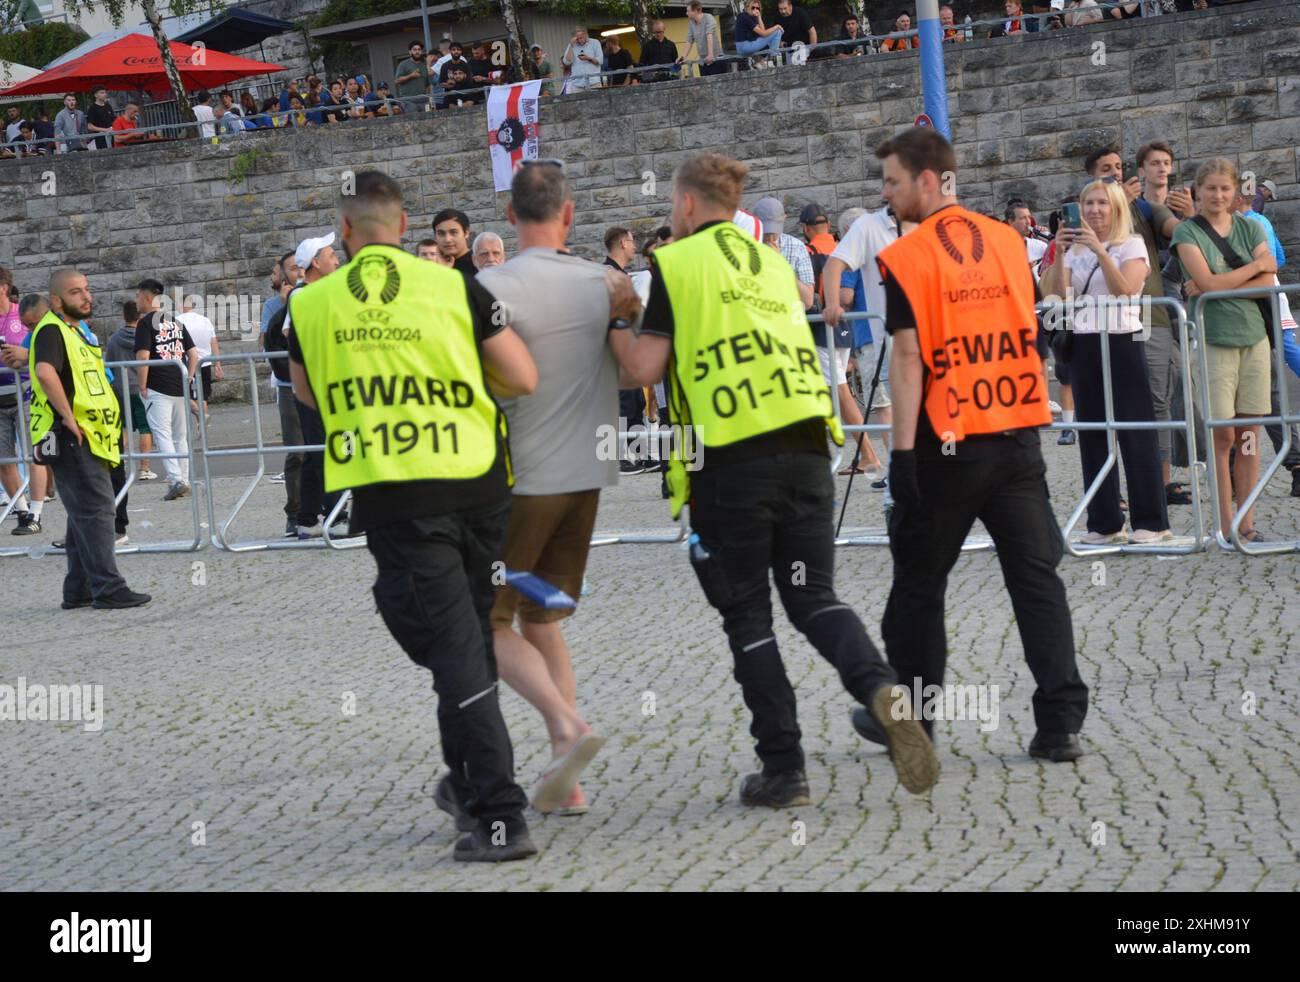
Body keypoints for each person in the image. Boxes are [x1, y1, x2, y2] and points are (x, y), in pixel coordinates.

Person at [609, 151, 939, 804]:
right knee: (814, 597)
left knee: (748, 616)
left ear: (686, 205)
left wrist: (620, 316)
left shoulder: (675, 265)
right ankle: (877, 686)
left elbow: (641, 371)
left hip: (732, 461)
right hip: (809, 447)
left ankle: (784, 769)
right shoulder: (772, 262)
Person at [287, 169, 540, 861]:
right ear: (405, 229)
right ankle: (465, 784)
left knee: (454, 651)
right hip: (482, 485)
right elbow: (521, 375)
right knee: (468, 645)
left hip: (400, 496)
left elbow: (308, 397)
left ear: (344, 232)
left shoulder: (310, 306)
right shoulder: (455, 285)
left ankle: (498, 816)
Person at [869, 127, 1088, 763]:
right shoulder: (1006, 240)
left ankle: (916, 721)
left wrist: (902, 457)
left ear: (928, 181)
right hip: (1017, 432)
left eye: (893, 181)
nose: (886, 193)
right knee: (1036, 579)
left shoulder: (907, 257)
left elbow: (908, 361)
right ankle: (1059, 724)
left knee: (917, 583)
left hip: (948, 443)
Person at [477, 160, 652, 814]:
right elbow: (636, 377)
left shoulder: (490, 284)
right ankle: (566, 777)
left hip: (523, 478)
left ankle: (565, 725)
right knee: (542, 615)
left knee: (484, 620)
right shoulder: (605, 283)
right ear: (570, 214)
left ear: (511, 215)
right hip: (589, 474)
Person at [1038, 179, 1171, 545]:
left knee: (1134, 430)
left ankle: (1152, 520)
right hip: (1082, 343)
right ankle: (1105, 520)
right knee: (1093, 432)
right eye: (1088, 203)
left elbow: (1125, 290)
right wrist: (1061, 253)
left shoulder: (1131, 244)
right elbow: (1052, 294)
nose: (1094, 210)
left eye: (1102, 203)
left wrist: (1099, 251)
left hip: (1121, 340)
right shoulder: (1073, 249)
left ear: (1115, 208)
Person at [29, 270, 150, 609]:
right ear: (56, 300)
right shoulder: (53, 329)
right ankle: (108, 588)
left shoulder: (74, 331)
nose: (86, 297)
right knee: (97, 510)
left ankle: (78, 589)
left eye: (86, 289)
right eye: (75, 292)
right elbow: (44, 371)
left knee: (84, 513)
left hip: (90, 435)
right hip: (72, 436)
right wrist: (68, 417)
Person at [1171, 159, 1276, 543]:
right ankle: (1224, 522)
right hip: (1215, 340)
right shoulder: (1187, 231)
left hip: (1254, 340)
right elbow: (1209, 281)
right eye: (1211, 189)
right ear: (1198, 191)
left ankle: (1246, 522)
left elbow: (1267, 284)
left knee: (1249, 434)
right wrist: (1253, 267)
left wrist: (1217, 284)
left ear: (1235, 193)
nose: (1217, 196)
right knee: (1223, 437)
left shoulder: (1249, 226)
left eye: (1224, 189)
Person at [283, 233, 344, 538]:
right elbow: (292, 336)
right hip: (314, 384)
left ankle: (307, 518)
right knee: (327, 449)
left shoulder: (329, 290)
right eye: (331, 254)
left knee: (317, 450)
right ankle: (336, 514)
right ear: (316, 263)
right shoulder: (301, 295)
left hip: (329, 382)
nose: (336, 258)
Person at [134, 279, 199, 501]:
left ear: (146, 297)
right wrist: (188, 378)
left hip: (157, 386)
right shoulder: (174, 322)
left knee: (162, 434)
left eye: (137, 296)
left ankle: (175, 479)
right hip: (179, 385)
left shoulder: (145, 324)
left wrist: (142, 385)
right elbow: (193, 353)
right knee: (181, 436)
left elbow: (143, 356)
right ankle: (185, 479)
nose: (136, 301)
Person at [261, 252, 306, 537]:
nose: (298, 273)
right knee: (299, 452)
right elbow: (268, 343)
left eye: (301, 267)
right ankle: (295, 511)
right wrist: (285, 305)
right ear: (284, 275)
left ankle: (332, 507)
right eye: (292, 269)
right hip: (290, 386)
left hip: (323, 385)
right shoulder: (272, 306)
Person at [0, 286, 50, 534]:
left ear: (3, 288)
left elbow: (48, 351)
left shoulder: (24, 315)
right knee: (4, 459)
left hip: (27, 393)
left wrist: (22, 356)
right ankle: (21, 510)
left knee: (34, 454)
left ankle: (36, 513)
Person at [104, 300, 158, 487]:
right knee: (145, 428)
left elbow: (108, 366)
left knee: (124, 429)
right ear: (140, 316)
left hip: (119, 389)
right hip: (140, 388)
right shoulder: (144, 337)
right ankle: (144, 468)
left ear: (123, 316)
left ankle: (119, 463)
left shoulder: (113, 339)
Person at [680, 1, 727, 77]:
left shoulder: (708, 18)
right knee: (705, 87)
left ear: (695, 11)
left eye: (688, 11)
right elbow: (689, 40)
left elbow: (709, 35)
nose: (686, 13)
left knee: (719, 86)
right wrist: (683, 57)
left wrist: (710, 54)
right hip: (703, 61)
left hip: (716, 59)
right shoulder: (691, 23)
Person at [735, 1, 785, 66]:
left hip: (745, 46)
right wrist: (777, 26)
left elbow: (763, 31)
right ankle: (773, 58)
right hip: (744, 47)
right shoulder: (745, 17)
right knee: (777, 31)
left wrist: (759, 17)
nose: (755, 10)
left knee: (772, 37)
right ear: (748, 7)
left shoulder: (750, 17)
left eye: (757, 8)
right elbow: (764, 34)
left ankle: (763, 60)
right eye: (753, 7)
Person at [432, 209, 476, 275]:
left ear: (466, 233)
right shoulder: (430, 267)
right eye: (441, 233)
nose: (447, 239)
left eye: (453, 232)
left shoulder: (479, 264)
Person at [562, 26, 604, 91]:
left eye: (581, 38)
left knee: (597, 101)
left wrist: (588, 58)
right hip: (577, 83)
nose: (579, 40)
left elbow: (600, 61)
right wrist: (571, 46)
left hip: (594, 82)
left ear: (586, 35)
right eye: (577, 39)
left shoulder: (595, 43)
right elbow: (566, 62)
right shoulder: (572, 44)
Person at [395, 40, 431, 113]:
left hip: (424, 100)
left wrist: (429, 98)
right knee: (414, 121)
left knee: (428, 121)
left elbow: (428, 85)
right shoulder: (403, 64)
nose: (417, 52)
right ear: (410, 52)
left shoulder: (424, 65)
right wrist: (411, 76)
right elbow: (397, 80)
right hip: (409, 101)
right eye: (414, 50)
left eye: (419, 50)